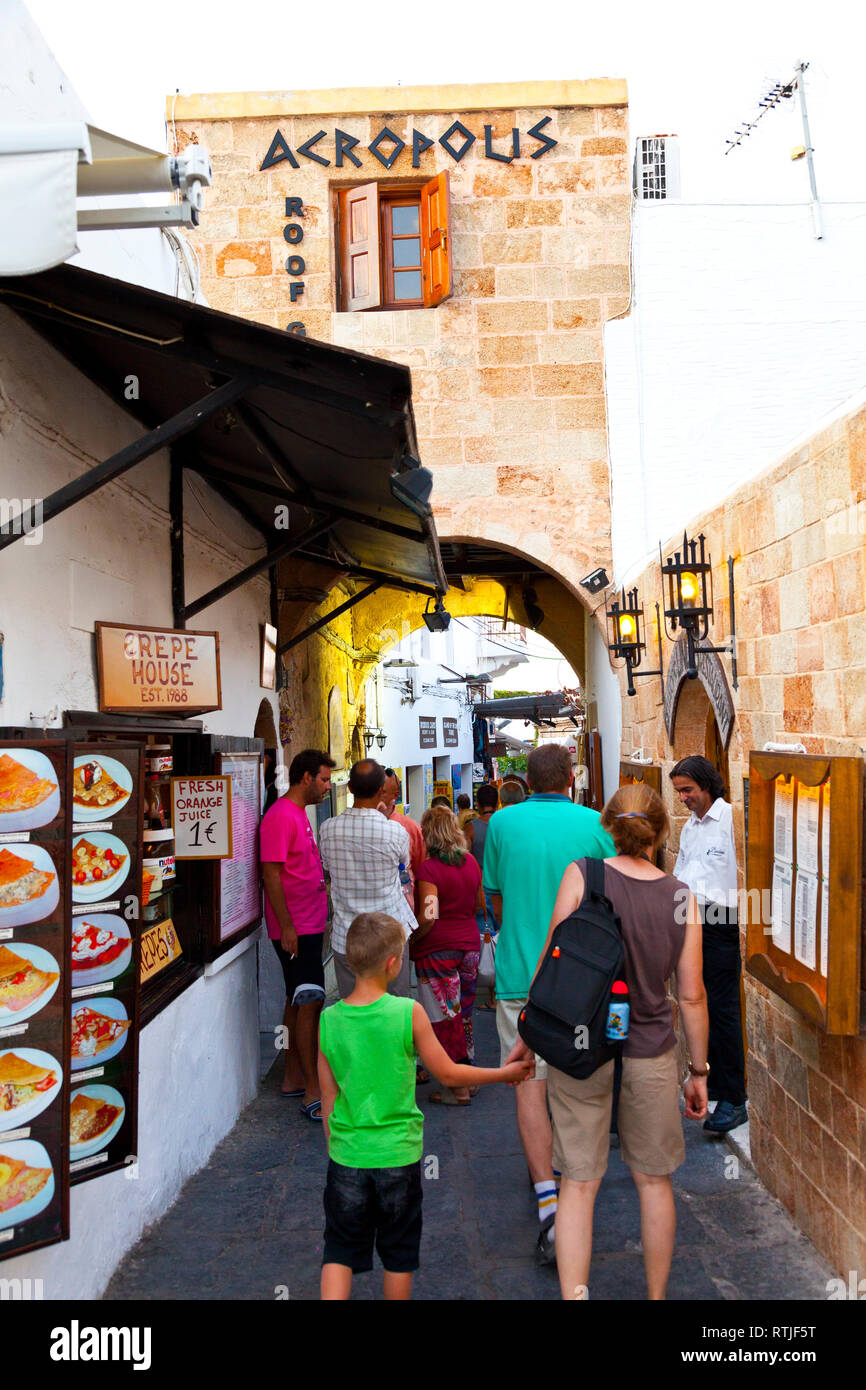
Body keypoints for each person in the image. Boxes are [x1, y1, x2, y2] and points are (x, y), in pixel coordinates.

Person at [507, 782, 709, 1300]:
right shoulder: (681, 897)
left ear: (608, 827)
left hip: (582, 1048)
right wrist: (700, 1072)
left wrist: (528, 1036)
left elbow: (552, 961)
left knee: (578, 1182)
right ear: (662, 830)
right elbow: (690, 996)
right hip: (650, 1051)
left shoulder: (582, 874)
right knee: (653, 1181)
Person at [318, 911, 533, 1300]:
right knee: (398, 1254)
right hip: (397, 1156)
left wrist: (338, 1145)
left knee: (339, 1251)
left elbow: (328, 1097)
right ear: (392, 963)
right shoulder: (408, 1013)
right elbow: (449, 1074)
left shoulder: (329, 1020)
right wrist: (502, 1075)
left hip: (347, 1157)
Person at [483, 743, 615, 1264]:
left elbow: (492, 897)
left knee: (526, 1082)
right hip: (581, 980)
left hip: (519, 971)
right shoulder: (594, 823)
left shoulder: (501, 825)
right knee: (577, 1080)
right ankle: (575, 1180)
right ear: (570, 776)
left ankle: (546, 1198)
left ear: (529, 780)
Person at [670, 755, 747, 1133]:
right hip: (691, 920)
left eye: (687, 790)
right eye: (679, 791)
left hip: (722, 921)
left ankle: (733, 1098)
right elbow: (682, 873)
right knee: (699, 1005)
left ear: (706, 785)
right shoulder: (690, 828)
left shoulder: (731, 820)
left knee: (723, 1008)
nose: (682, 798)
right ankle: (714, 1086)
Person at [260, 748, 335, 1120]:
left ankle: (292, 1076)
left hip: (307, 923)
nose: (327, 786)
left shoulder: (298, 815)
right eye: (323, 779)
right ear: (305, 777)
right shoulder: (281, 817)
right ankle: (312, 1089)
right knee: (310, 1004)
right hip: (296, 928)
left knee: (296, 999)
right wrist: (287, 925)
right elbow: (270, 873)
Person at [319, 759, 417, 999]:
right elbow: (403, 864)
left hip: (347, 938)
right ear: (381, 790)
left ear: (350, 788)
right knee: (394, 1014)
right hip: (389, 938)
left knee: (354, 1014)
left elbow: (327, 869)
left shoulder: (328, 829)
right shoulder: (396, 832)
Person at [412, 805, 486, 1104]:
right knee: (463, 1014)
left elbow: (429, 915)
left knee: (443, 1017)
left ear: (428, 834)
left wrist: (412, 939)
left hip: (438, 949)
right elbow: (480, 904)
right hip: (469, 946)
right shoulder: (470, 863)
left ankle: (458, 1087)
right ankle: (467, 1072)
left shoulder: (429, 869)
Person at [465, 783, 500, 1009]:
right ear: (496, 802)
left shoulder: (471, 828)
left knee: (483, 940)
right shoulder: (503, 825)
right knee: (501, 940)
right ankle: (497, 993)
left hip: (480, 889)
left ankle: (483, 987)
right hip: (502, 888)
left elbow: (465, 858)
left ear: (477, 804)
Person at [382, 768, 425, 911]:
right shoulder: (359, 827)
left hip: (403, 916)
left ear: (395, 795)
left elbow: (422, 875)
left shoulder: (411, 828)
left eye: (382, 792)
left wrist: (425, 918)